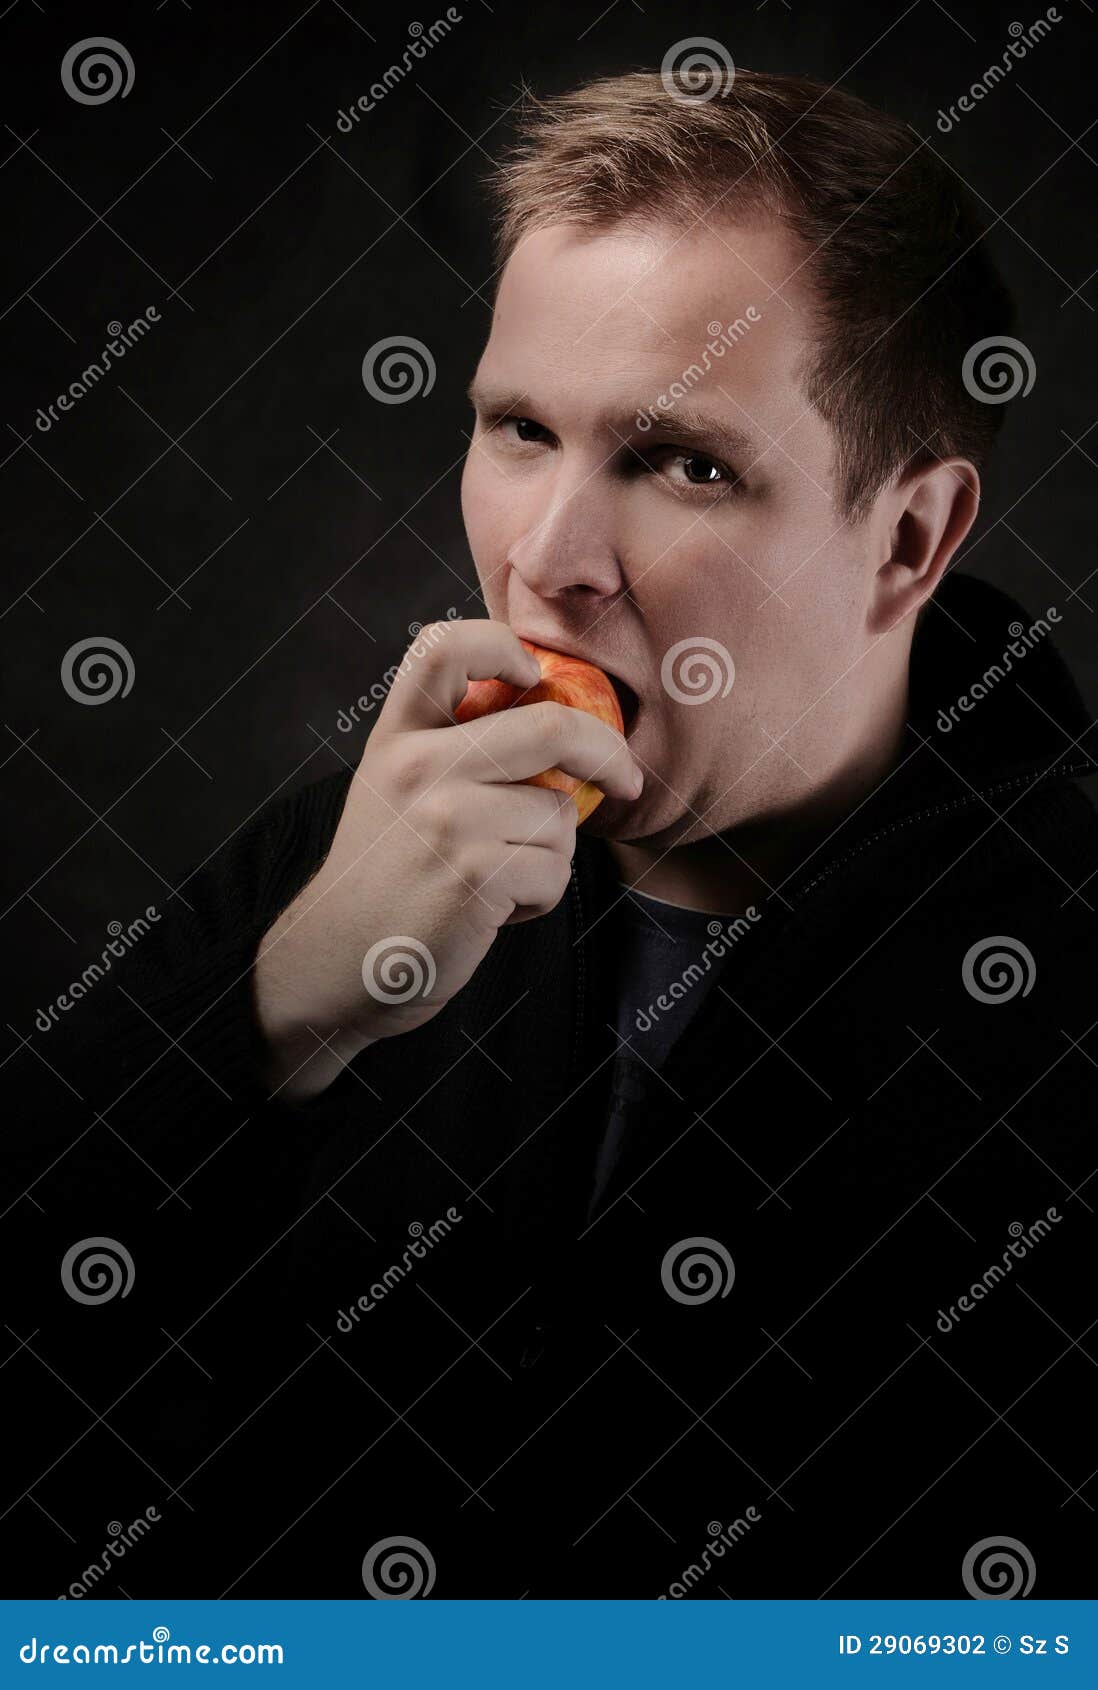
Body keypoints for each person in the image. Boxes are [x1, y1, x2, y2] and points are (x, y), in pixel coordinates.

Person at [7, 68, 1096, 1600]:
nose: (546, 560)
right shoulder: (338, 855)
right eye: (519, 429)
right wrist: (268, 1016)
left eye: (682, 463)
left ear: (907, 538)